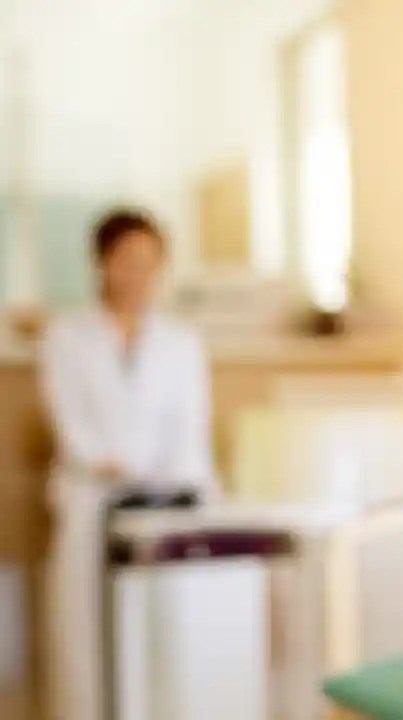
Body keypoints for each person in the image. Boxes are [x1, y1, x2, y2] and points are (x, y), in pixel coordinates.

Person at [40, 208, 215, 720]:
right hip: (93, 498)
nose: (137, 274)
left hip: (167, 503)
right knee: (87, 636)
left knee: (163, 638)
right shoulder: (66, 337)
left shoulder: (182, 344)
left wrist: (186, 490)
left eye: (149, 263)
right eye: (126, 260)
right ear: (102, 262)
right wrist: (114, 467)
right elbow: (72, 427)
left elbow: (191, 430)